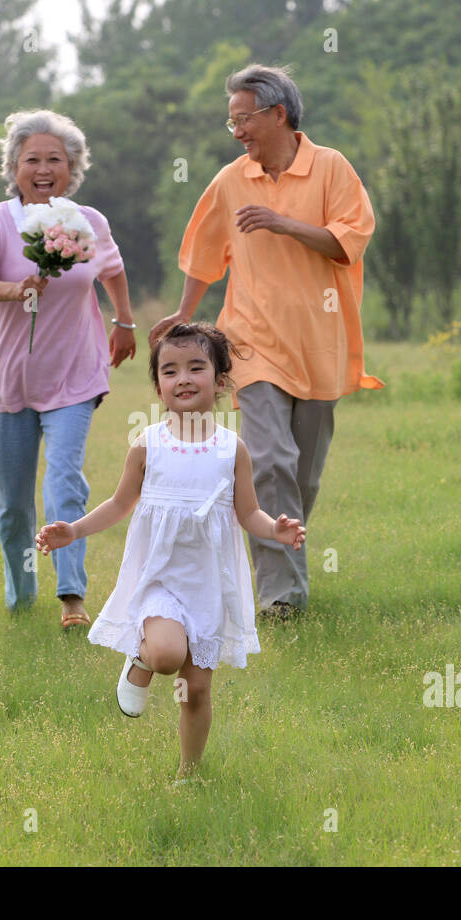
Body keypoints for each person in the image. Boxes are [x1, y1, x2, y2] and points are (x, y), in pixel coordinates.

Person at [149, 64, 382, 622]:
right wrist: (183, 314)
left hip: (320, 341)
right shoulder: (231, 180)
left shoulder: (330, 168)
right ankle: (282, 598)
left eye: (244, 120)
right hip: (251, 342)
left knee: (303, 475)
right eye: (230, 123)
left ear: (278, 114)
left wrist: (284, 223)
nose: (237, 133)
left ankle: (283, 548)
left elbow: (349, 239)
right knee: (270, 462)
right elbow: (205, 250)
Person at [35, 324, 305, 778]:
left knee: (197, 689)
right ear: (158, 386)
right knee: (165, 654)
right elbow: (121, 504)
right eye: (170, 370)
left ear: (220, 380)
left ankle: (188, 773)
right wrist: (74, 531)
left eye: (196, 368)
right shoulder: (148, 446)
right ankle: (140, 660)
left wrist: (274, 530)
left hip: (209, 584)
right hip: (161, 578)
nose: (183, 378)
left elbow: (248, 513)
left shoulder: (231, 449)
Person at [0, 109, 139, 628]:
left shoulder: (88, 220)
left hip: (74, 375)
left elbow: (113, 270)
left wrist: (124, 322)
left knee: (64, 482)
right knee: (13, 503)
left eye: (54, 159)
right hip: (10, 380)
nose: (43, 168)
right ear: (14, 167)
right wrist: (15, 289)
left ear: (72, 167)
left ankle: (72, 598)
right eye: (31, 159)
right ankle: (20, 596)